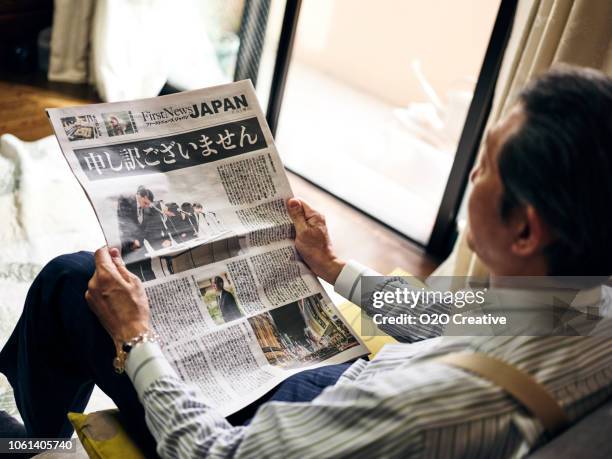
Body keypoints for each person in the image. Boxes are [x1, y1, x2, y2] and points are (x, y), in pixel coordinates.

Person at [1, 67, 612, 458]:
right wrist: (334, 266)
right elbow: (461, 320)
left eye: (485, 165)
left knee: (69, 282)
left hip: (295, 427)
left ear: (526, 228)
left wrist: (134, 340)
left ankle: (43, 444)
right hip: (347, 383)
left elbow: (213, 454)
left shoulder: (421, 414)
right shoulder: (589, 304)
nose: (473, 174)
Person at [116, 186, 156, 281]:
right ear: (139, 196)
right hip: (128, 246)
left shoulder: (146, 209)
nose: (146, 206)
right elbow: (123, 221)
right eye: (145, 203)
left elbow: (146, 228)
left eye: (148, 204)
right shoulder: (125, 201)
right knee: (133, 273)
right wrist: (132, 242)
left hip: (141, 246)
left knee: (148, 270)